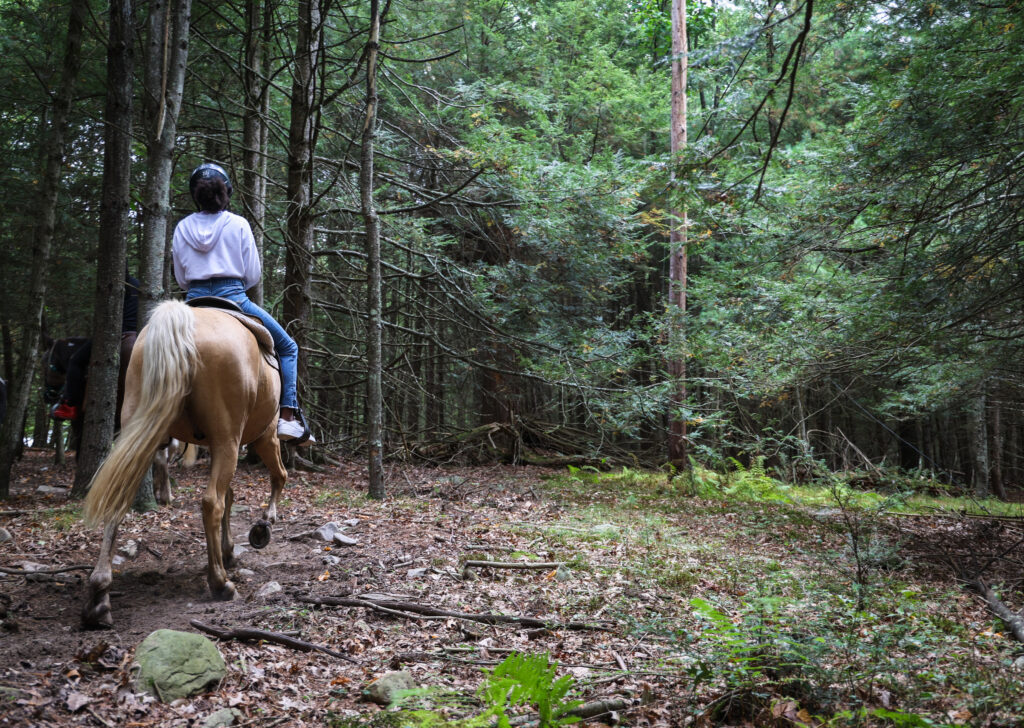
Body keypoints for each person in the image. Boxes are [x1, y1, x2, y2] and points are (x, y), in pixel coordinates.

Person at [172, 162, 314, 444]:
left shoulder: (182, 227)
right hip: (233, 295)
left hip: (193, 301)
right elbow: (252, 275)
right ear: (227, 193)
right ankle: (288, 417)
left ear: (195, 195)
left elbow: (180, 278)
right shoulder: (238, 224)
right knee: (288, 346)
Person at [52, 272, 140, 421]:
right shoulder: (138, 284)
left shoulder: (113, 286)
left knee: (75, 360)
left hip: (118, 334)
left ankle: (70, 405)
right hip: (140, 335)